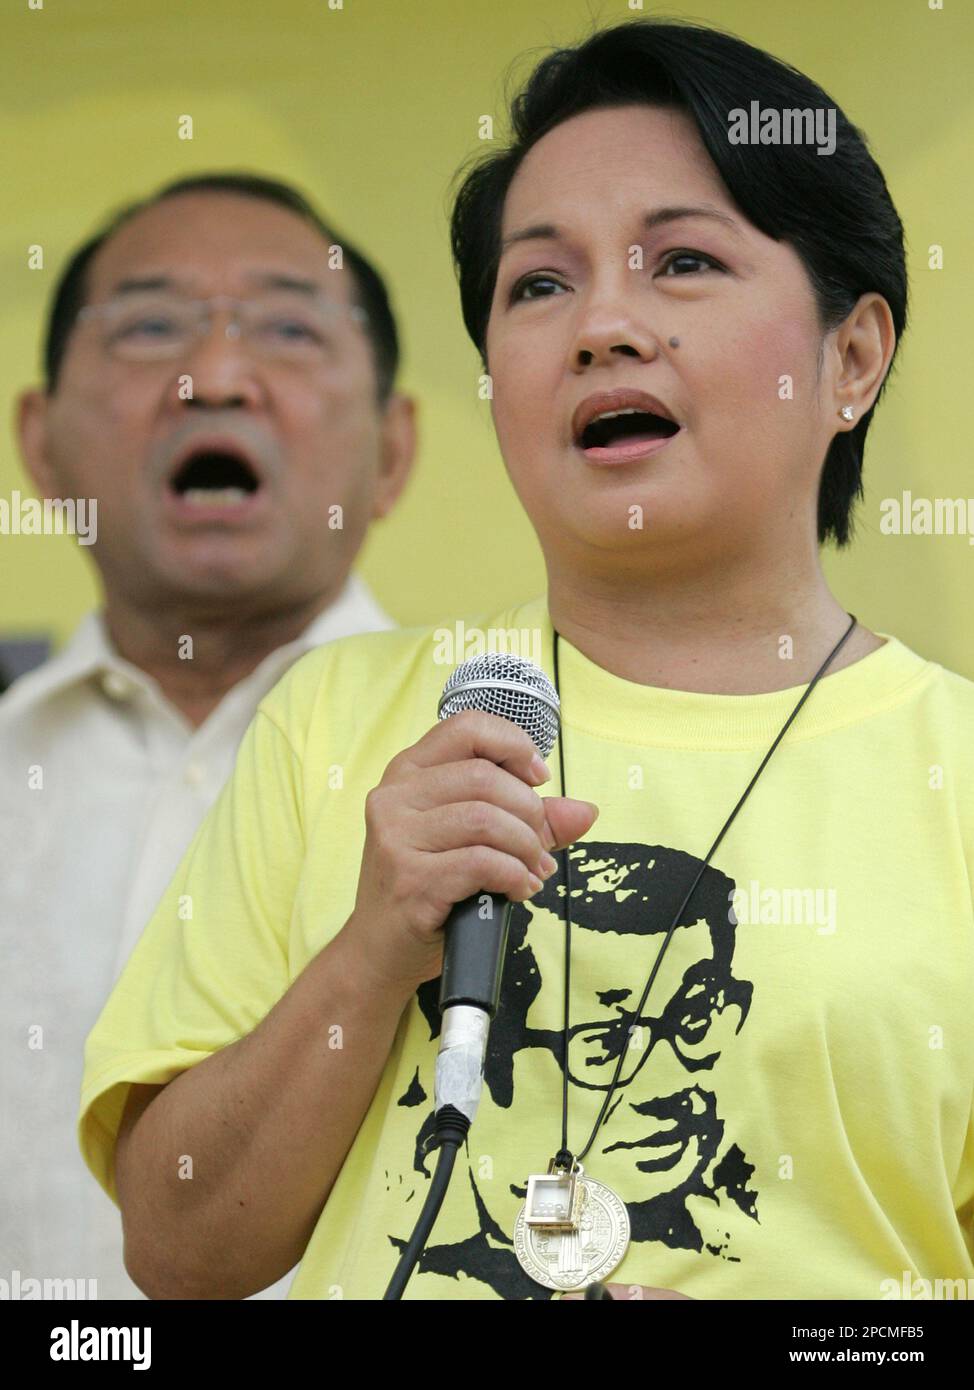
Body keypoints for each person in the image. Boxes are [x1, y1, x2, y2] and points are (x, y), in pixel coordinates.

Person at [79, 19, 973, 1301]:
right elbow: (176, 1250)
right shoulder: (334, 717)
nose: (602, 324)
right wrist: (377, 940)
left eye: (680, 262)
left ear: (850, 357)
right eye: (538, 285)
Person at [1, 172, 415, 1298]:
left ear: (391, 449)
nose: (216, 377)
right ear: (39, 442)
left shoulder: (506, 771)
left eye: (288, 326)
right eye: (148, 329)